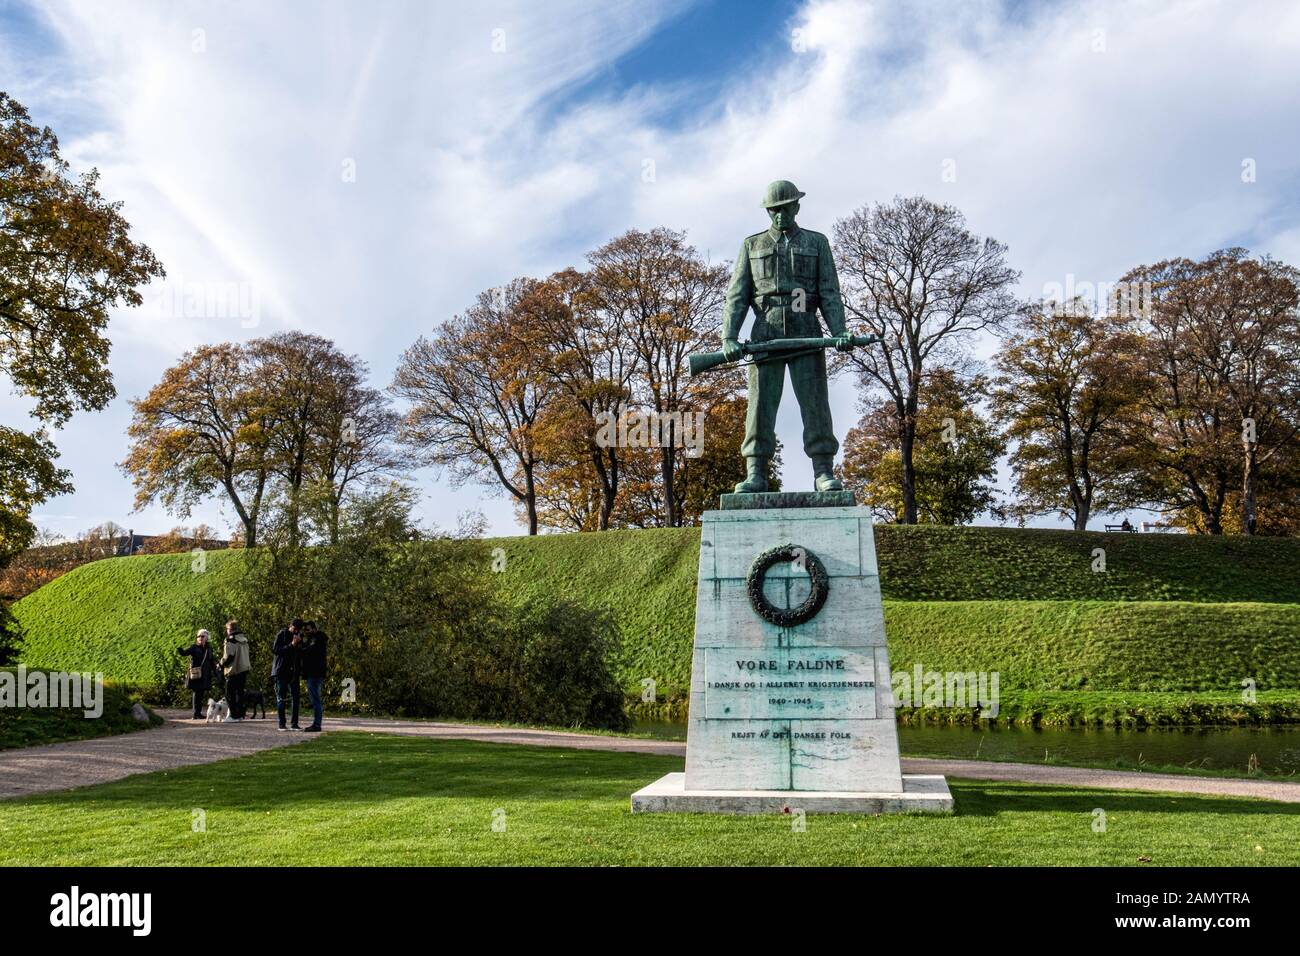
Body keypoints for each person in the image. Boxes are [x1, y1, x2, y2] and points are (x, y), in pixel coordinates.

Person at [719, 180, 854, 493]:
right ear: (768, 211)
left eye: (785, 208)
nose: (780, 215)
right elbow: (737, 296)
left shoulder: (816, 242)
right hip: (765, 334)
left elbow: (829, 292)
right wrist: (729, 336)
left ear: (797, 206)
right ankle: (755, 473)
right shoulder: (752, 245)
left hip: (807, 332)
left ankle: (823, 471)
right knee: (760, 407)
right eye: (774, 210)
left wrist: (839, 332)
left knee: (816, 404)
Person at [177, 629, 217, 719]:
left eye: (202, 636)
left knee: (201, 693)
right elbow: (184, 653)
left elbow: (212, 662)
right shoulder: (194, 647)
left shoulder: (209, 649)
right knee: (196, 693)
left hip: (205, 675)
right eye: (198, 636)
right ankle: (195, 713)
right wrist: (180, 650)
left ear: (207, 638)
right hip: (196, 674)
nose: (200, 638)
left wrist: (216, 672)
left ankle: (198, 713)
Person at [271, 618, 303, 731]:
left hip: (293, 672)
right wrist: (292, 644)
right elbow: (275, 650)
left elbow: (299, 655)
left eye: (298, 630)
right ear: (290, 625)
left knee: (295, 698)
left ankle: (294, 723)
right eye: (294, 629)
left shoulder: (299, 636)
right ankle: (282, 723)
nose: (295, 631)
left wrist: (299, 644)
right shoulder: (282, 634)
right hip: (281, 671)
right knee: (281, 698)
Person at [299, 620, 328, 733]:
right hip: (313, 673)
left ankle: (317, 724)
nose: (306, 632)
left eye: (308, 629)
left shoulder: (319, 638)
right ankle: (316, 723)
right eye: (305, 630)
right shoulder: (312, 639)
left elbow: (309, 650)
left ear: (314, 629)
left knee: (315, 699)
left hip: (316, 673)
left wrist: (301, 647)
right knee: (314, 698)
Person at [220, 619, 252, 721]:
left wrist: (220, 664)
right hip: (244, 669)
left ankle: (233, 716)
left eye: (227, 629)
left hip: (234, 670)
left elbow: (229, 656)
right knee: (240, 693)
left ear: (230, 629)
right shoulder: (244, 639)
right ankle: (239, 715)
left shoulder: (231, 640)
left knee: (229, 694)